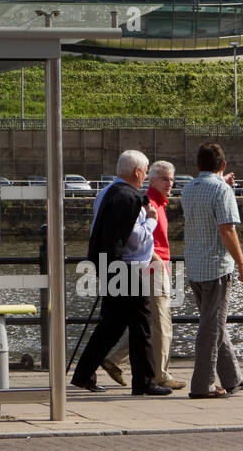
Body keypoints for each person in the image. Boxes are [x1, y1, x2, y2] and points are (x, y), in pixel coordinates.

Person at [71, 150, 172, 396]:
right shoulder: (130, 198)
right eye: (145, 170)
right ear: (137, 172)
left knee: (112, 324)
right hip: (126, 267)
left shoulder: (107, 192)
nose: (146, 175)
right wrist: (151, 219)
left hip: (108, 264)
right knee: (142, 322)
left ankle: (83, 374)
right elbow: (134, 237)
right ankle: (144, 382)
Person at [101, 160, 185, 391]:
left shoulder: (159, 202)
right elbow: (139, 239)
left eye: (171, 179)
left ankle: (114, 359)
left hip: (156, 266)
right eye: (165, 179)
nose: (170, 183)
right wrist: (158, 261)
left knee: (147, 323)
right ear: (152, 179)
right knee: (160, 323)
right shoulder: (147, 203)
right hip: (152, 268)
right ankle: (159, 375)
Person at [180, 142, 243, 399]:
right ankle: (202, 385)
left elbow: (206, 196)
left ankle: (232, 377)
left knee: (214, 323)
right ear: (222, 165)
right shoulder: (222, 190)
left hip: (194, 265)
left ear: (197, 165)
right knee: (211, 329)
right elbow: (227, 230)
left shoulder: (188, 189)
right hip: (216, 267)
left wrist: (222, 182)